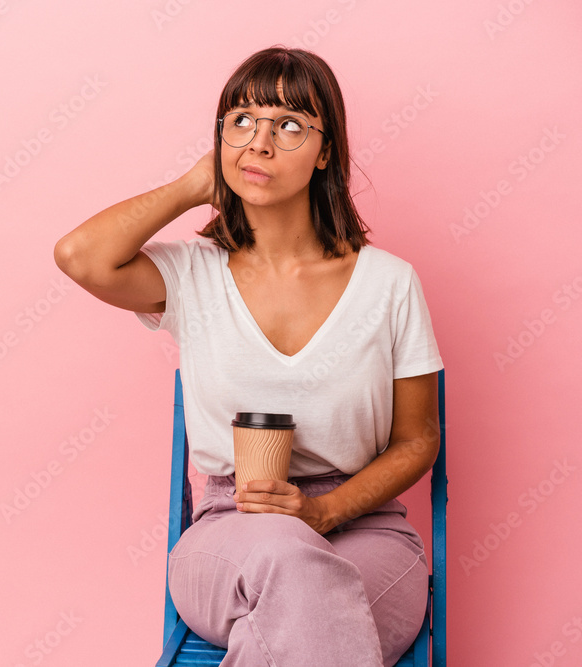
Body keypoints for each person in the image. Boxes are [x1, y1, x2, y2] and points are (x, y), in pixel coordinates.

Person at [54, 46, 443, 667]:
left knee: (297, 617)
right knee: (292, 572)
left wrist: (325, 510)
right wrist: (193, 186)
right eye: (241, 121)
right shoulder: (192, 274)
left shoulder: (389, 284)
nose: (259, 142)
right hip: (230, 527)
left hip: (365, 529)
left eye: (289, 125)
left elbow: (417, 439)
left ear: (325, 153)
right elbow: (80, 257)